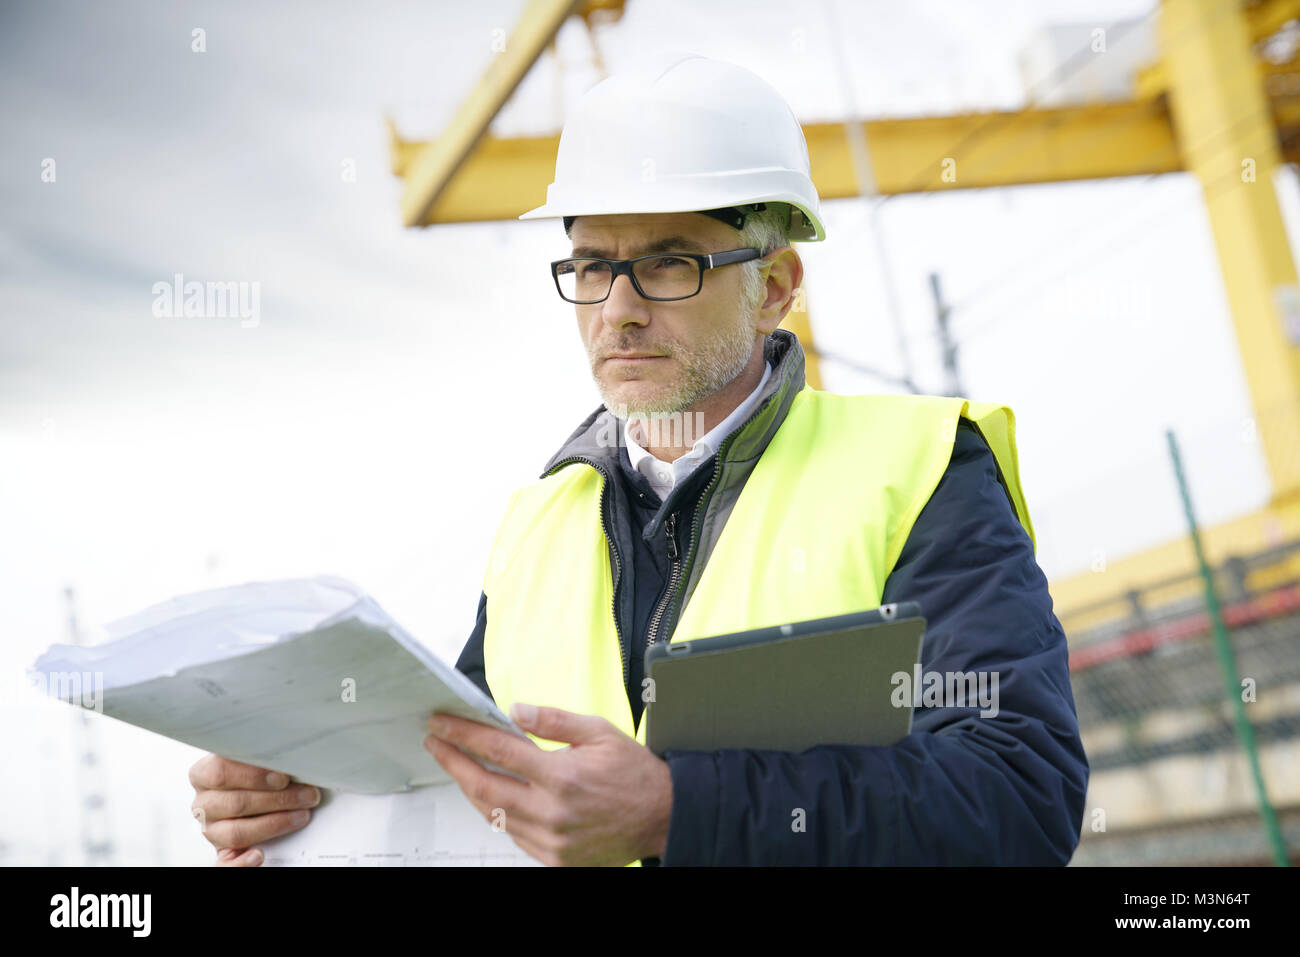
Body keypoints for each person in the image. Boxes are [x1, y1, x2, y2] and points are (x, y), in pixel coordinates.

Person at [190, 53, 1088, 867]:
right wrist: (299, 800)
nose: (616, 309)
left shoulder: (919, 468)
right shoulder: (537, 527)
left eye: (667, 265)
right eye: (590, 266)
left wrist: (678, 810)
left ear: (773, 287)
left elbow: (1018, 796)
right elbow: (455, 801)